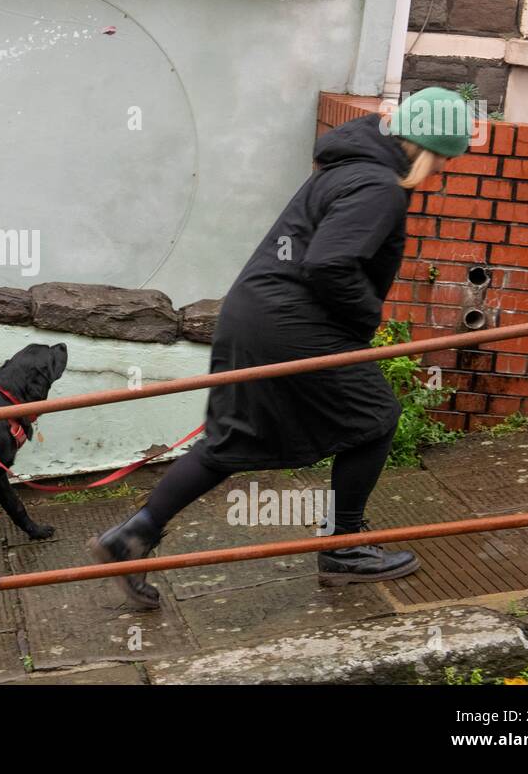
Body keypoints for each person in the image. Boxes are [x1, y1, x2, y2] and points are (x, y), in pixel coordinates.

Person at [90, 87, 475, 609]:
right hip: (293, 323)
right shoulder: (378, 185)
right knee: (376, 417)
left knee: (230, 439)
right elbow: (330, 264)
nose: (443, 172)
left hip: (255, 315)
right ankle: (343, 547)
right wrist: (364, 318)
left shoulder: (349, 165)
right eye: (445, 160)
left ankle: (130, 539)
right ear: (428, 150)